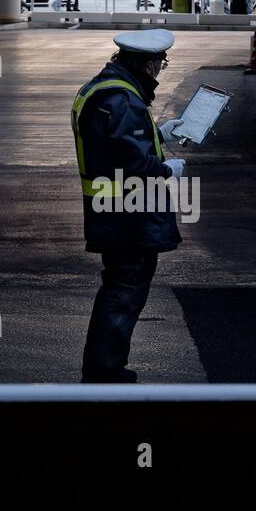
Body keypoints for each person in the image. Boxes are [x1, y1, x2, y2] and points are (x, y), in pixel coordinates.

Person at [72, 29, 187, 383]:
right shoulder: (124, 100)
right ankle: (105, 374)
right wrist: (168, 168)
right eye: (158, 64)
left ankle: (102, 368)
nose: (159, 71)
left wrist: (159, 134)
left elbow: (111, 142)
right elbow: (134, 165)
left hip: (112, 210)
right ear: (145, 64)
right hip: (129, 216)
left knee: (117, 289)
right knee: (123, 294)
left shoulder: (101, 88)